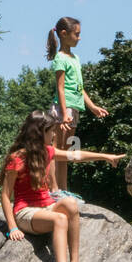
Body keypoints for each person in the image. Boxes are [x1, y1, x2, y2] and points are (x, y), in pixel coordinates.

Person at [0, 111, 124, 262]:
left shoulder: (47, 152)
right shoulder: (17, 158)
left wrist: (106, 157)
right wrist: (11, 227)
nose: (55, 135)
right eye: (51, 131)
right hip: (26, 212)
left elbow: (76, 155)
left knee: (71, 205)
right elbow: (5, 195)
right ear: (40, 133)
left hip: (47, 206)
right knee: (59, 219)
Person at [46, 17, 109, 195]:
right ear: (64, 34)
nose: (79, 38)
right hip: (61, 109)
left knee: (66, 151)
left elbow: (79, 88)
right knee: (55, 150)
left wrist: (92, 107)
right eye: (77, 34)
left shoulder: (75, 58)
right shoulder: (60, 58)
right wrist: (64, 113)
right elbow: (60, 88)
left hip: (74, 109)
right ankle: (54, 189)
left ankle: (64, 189)